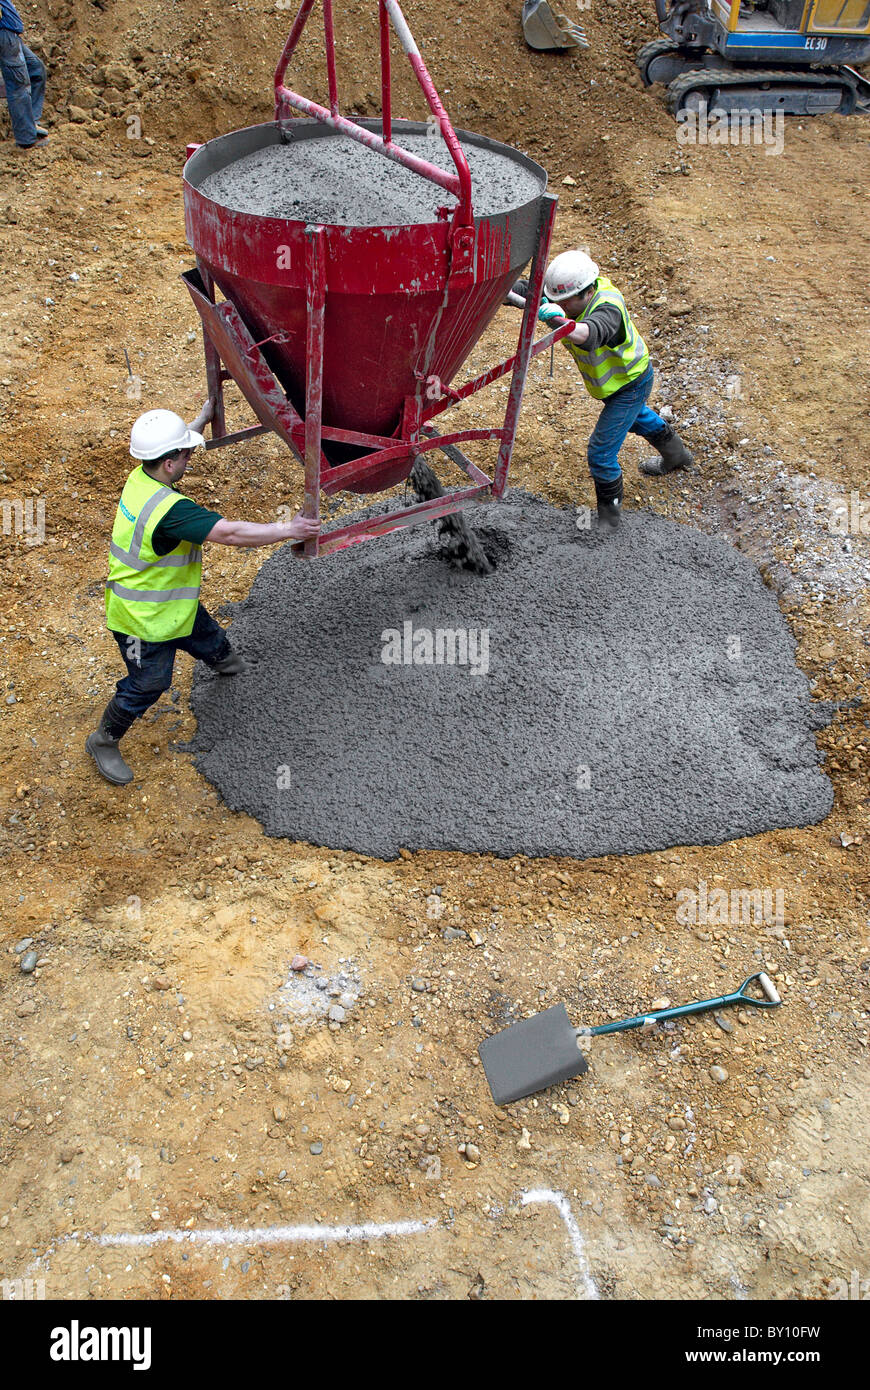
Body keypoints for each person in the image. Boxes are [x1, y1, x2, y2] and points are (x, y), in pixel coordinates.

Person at [86, 406, 320, 786]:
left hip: (171, 604)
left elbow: (168, 449)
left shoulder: (141, 476)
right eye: (185, 454)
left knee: (207, 636)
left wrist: (199, 419)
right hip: (142, 621)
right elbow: (229, 534)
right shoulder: (172, 512)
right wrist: (288, 529)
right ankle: (104, 740)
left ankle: (226, 664)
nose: (190, 458)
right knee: (149, 684)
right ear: (167, 464)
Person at [531, 250, 694, 527]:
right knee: (636, 418)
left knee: (601, 453)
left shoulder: (608, 307)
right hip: (617, 386)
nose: (560, 305)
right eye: (555, 299)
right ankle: (677, 456)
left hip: (631, 382)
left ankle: (609, 520)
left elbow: (590, 335)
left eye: (565, 302)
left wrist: (561, 321)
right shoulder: (569, 297)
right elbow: (529, 291)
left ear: (587, 291)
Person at [0, 0, 48, 150]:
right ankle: (26, 139)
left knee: (36, 69)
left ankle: (31, 122)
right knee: (18, 84)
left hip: (11, 35)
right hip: (5, 36)